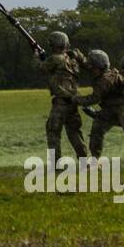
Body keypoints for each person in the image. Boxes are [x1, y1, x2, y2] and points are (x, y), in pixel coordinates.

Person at [74, 49, 124, 160]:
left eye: (92, 65)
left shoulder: (105, 79)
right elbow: (86, 64)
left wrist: (76, 100)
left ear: (97, 66)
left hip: (123, 106)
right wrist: (78, 56)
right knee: (97, 130)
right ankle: (95, 159)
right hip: (108, 109)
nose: (89, 67)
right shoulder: (100, 71)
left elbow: (95, 98)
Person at [35, 31, 89, 161]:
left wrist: (36, 56)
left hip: (60, 103)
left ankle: (55, 164)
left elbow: (40, 68)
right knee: (75, 133)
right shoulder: (72, 60)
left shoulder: (55, 58)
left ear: (53, 44)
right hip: (73, 101)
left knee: (53, 133)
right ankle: (86, 162)